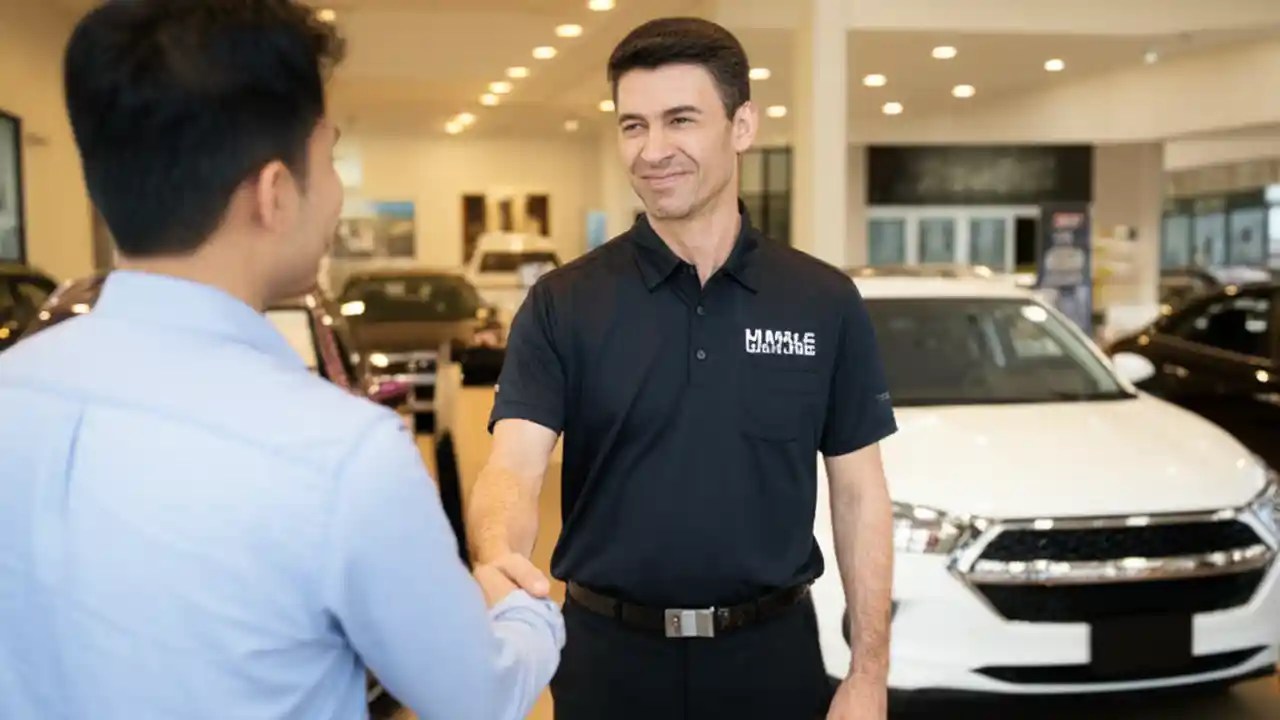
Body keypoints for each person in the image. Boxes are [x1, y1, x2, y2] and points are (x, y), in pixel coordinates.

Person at [0, 2, 562, 719]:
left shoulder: (12, 392)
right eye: (326, 159)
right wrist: (522, 610)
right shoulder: (340, 454)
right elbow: (476, 696)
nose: (334, 192)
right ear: (273, 194)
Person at [468, 16, 897, 720]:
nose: (652, 150)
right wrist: (497, 553)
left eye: (680, 120)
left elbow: (859, 495)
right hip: (610, 661)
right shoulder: (563, 302)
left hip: (773, 659)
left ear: (742, 125)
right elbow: (514, 465)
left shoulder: (823, 301)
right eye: (633, 125)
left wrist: (869, 672)